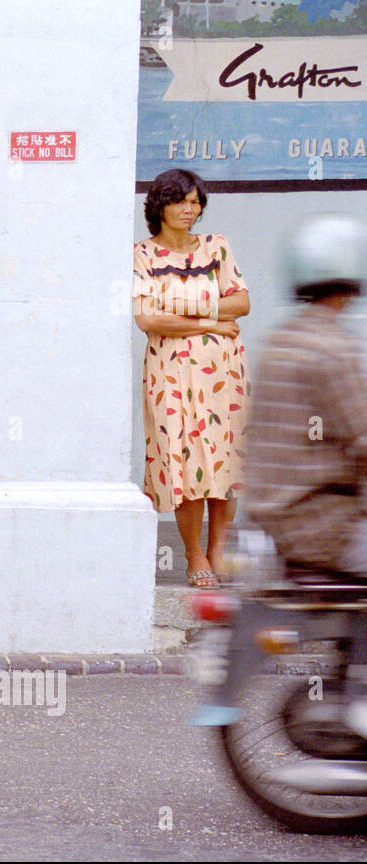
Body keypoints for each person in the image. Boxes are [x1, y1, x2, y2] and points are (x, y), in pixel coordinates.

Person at [245, 212, 367, 737]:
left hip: (283, 519)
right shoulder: (332, 349)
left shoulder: (283, 342)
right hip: (323, 524)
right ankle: (359, 699)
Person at [134, 169, 251, 588]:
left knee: (223, 459)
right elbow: (148, 318)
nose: (190, 209)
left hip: (223, 371)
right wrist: (213, 322)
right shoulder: (143, 255)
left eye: (195, 202)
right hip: (169, 373)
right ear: (160, 206)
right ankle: (194, 554)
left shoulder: (216, 247)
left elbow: (241, 302)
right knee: (183, 458)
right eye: (180, 201)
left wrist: (187, 315)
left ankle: (218, 550)